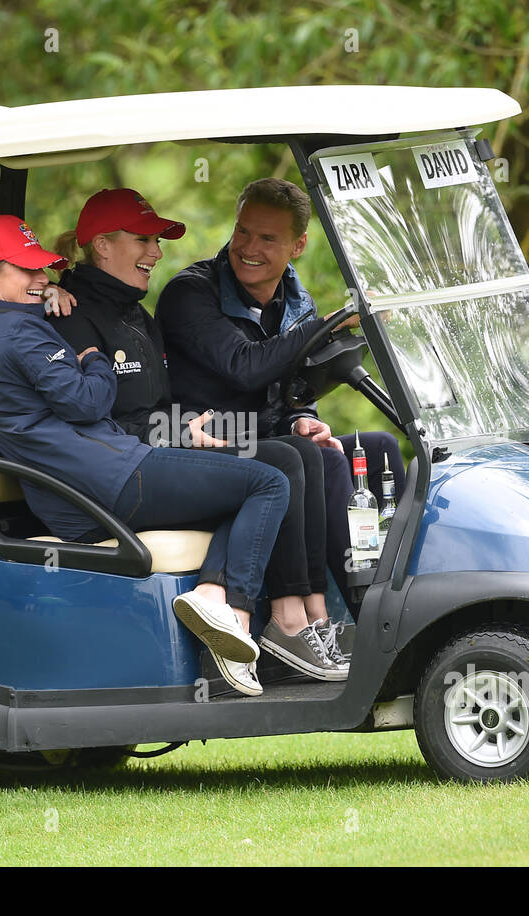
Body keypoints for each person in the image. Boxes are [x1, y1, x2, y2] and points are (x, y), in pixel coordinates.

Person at [0, 213, 289, 697]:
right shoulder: (20, 334)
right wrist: (93, 355)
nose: (42, 280)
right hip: (108, 479)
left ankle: (213, 598)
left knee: (252, 474)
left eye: (43, 270)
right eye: (28, 272)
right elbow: (91, 399)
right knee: (269, 479)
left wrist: (45, 301)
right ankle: (237, 621)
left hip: (91, 482)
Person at [48, 189, 349, 689]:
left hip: (168, 437)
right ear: (102, 245)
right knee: (276, 469)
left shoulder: (135, 315)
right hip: (125, 462)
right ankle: (278, 620)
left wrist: (294, 416)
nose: (157, 253)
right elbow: (88, 414)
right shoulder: (73, 312)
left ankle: (311, 618)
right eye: (144, 240)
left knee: (298, 450)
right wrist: (47, 290)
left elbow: (160, 400)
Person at [157, 178, 403, 629]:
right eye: (243, 232)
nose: (248, 247)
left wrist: (303, 420)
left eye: (268, 238)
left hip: (268, 439)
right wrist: (324, 326)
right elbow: (244, 366)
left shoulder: (296, 302)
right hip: (201, 444)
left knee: (378, 446)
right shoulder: (191, 293)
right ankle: (343, 618)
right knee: (308, 460)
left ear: (298, 245)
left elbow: (294, 389)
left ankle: (388, 597)